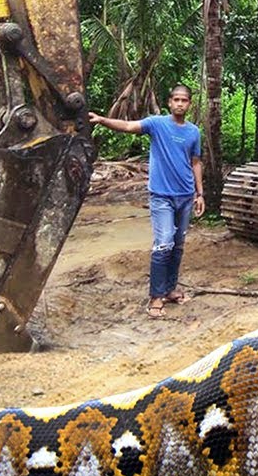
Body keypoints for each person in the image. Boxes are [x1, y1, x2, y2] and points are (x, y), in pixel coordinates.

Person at [88, 85, 205, 319]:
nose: (180, 104)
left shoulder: (193, 132)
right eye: (176, 100)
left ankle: (170, 289)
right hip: (161, 195)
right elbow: (129, 126)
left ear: (189, 104)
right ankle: (155, 296)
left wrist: (200, 193)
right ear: (169, 102)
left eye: (184, 100)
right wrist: (102, 120)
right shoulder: (156, 124)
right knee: (163, 244)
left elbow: (195, 162)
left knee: (178, 245)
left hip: (185, 195)